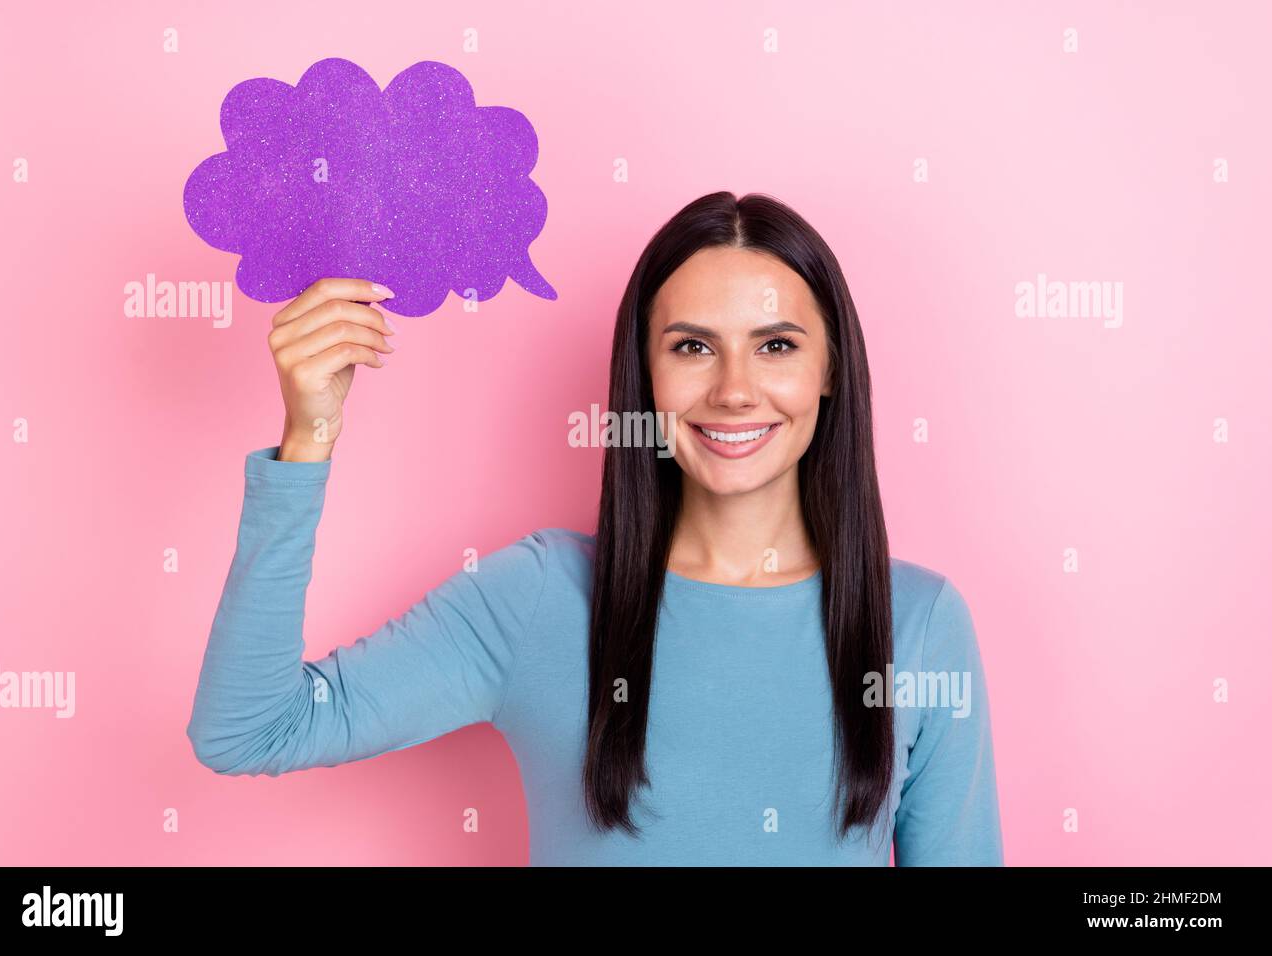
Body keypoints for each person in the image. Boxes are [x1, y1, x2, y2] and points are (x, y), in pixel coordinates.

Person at [186, 190, 1003, 866]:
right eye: (692, 347)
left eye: (776, 345)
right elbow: (250, 728)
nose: (735, 390)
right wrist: (309, 440)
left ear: (829, 371)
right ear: (643, 377)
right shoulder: (540, 597)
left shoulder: (921, 625)